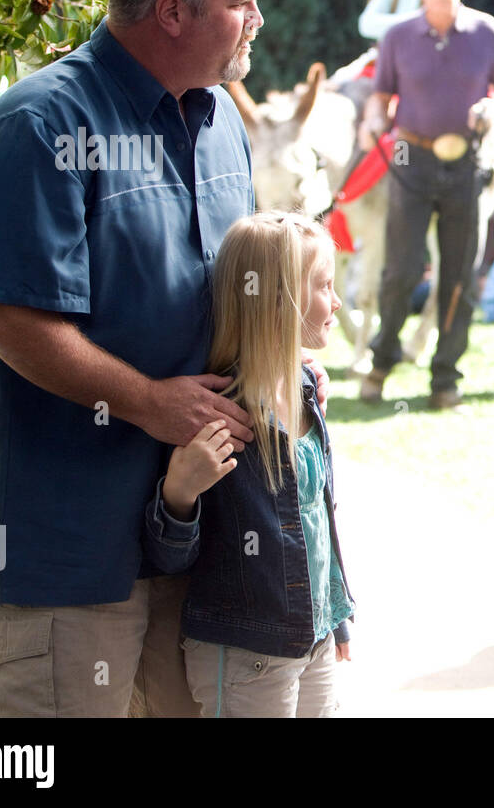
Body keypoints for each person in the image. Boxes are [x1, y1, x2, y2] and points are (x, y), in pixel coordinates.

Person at [0, 0, 266, 717]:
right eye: (241, 5)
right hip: (60, 552)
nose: (258, 22)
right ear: (172, 13)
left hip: (189, 545)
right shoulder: (37, 125)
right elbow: (5, 317)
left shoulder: (221, 124)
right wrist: (151, 401)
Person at [144, 213, 353, 718]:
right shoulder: (219, 413)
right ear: (280, 301)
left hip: (315, 633)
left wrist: (337, 616)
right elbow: (171, 560)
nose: (337, 301)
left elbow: (316, 521)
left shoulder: (307, 391)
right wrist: (179, 493)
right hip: (248, 654)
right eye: (324, 285)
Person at [357, 0, 494, 410]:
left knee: (459, 276)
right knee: (401, 270)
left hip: (467, 163)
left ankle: (445, 378)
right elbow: (380, 95)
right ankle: (382, 361)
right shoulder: (398, 37)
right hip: (411, 159)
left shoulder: (487, 32)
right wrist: (372, 121)